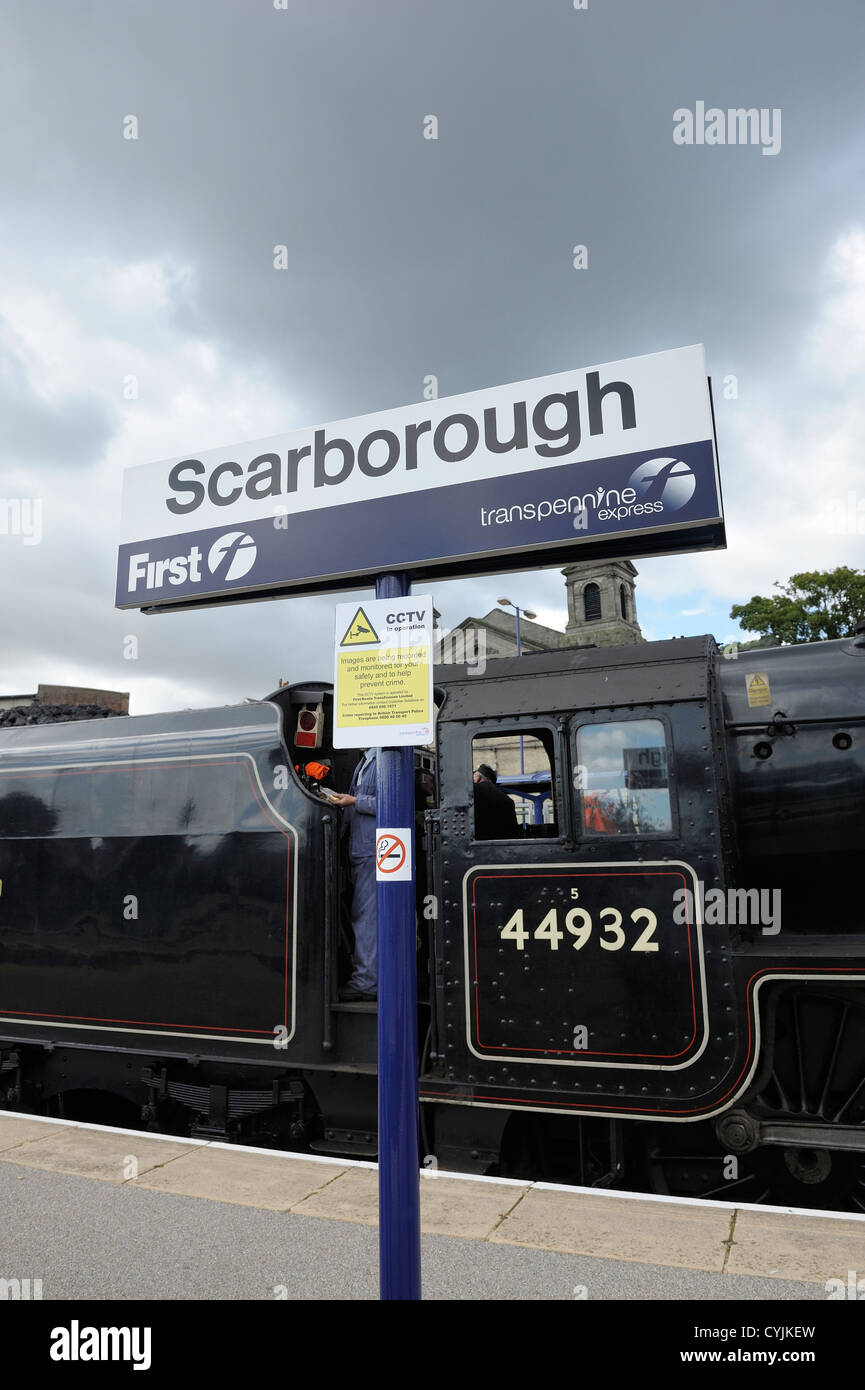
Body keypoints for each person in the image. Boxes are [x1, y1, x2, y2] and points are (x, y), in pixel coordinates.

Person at [330, 749, 378, 1001]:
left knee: (367, 918)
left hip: (373, 850)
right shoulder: (365, 762)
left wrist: (354, 801)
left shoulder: (384, 759)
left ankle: (367, 983)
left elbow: (394, 802)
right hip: (360, 849)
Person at [473, 763, 519, 840]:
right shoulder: (508, 800)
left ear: (477, 778)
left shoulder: (473, 792)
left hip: (477, 844)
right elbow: (513, 831)